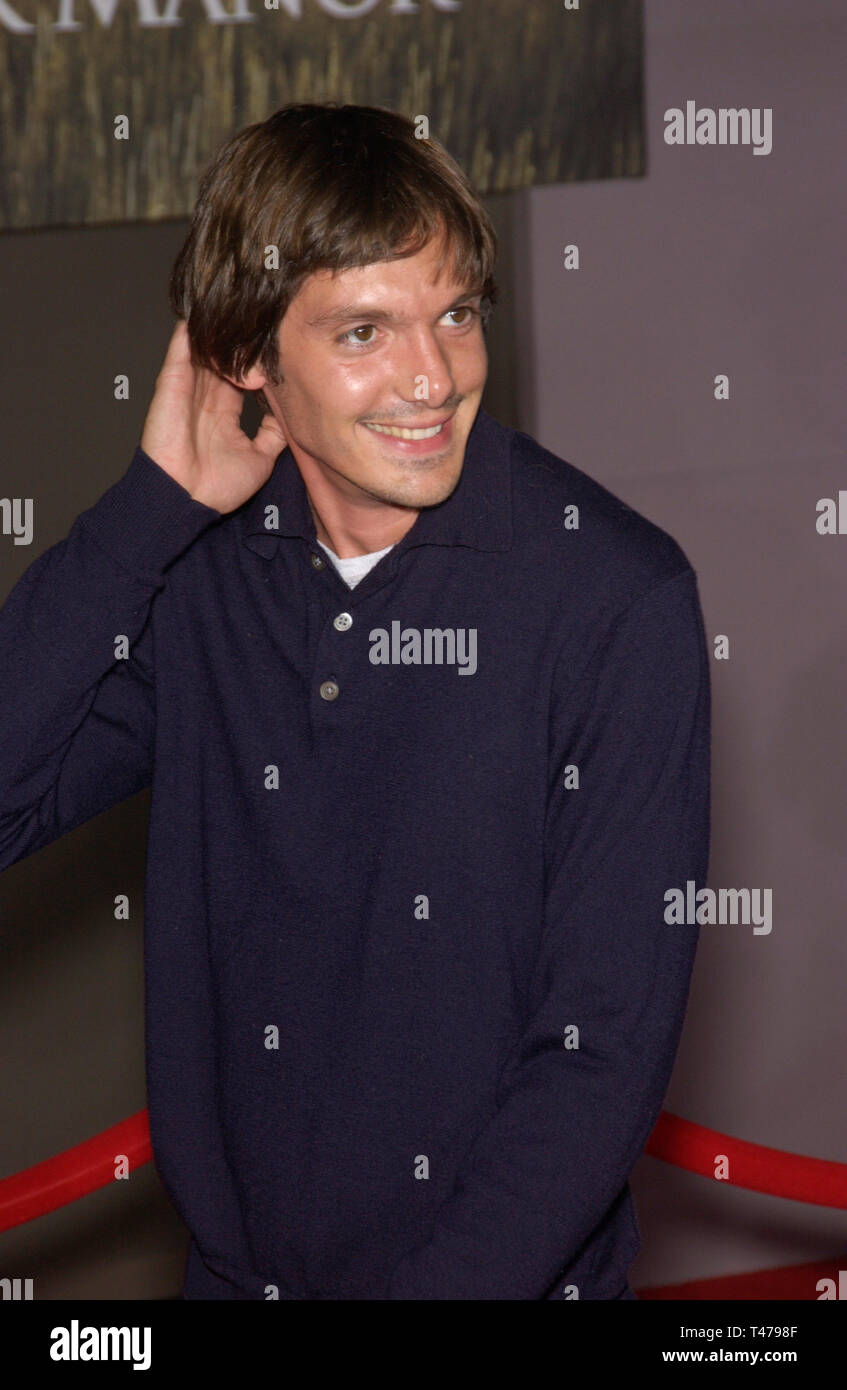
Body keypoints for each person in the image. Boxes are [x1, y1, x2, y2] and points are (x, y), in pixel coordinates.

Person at [0, 103, 710, 1300]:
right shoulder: (202, 575)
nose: (433, 376)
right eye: (366, 330)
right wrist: (150, 511)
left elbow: (597, 1053)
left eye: (455, 315)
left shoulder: (612, 595)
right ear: (246, 359)